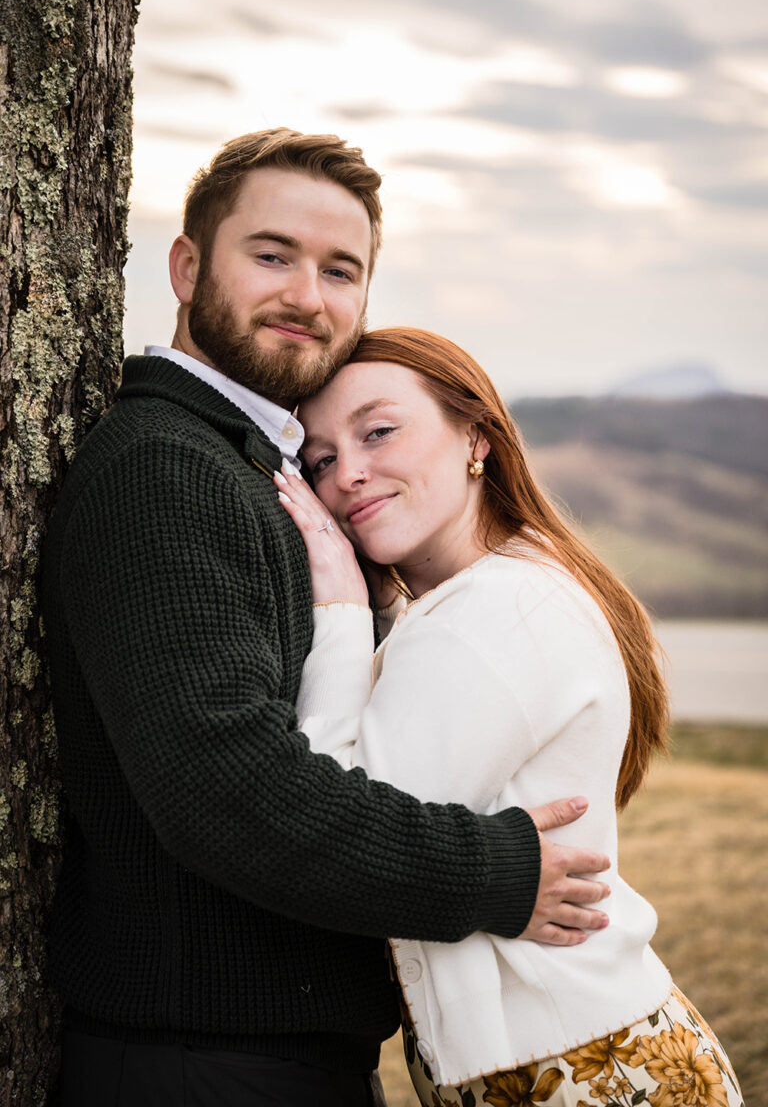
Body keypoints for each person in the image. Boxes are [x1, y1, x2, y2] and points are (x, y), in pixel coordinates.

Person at [40, 130, 612, 1107]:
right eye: (271, 255)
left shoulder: (251, 472)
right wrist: (494, 872)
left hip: (266, 1060)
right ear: (186, 268)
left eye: (339, 269)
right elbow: (231, 792)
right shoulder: (166, 471)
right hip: (199, 1068)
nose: (307, 294)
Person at [273, 325, 744, 1107]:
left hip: (584, 1070)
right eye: (320, 460)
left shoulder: (499, 610)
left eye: (379, 431)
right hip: (574, 1054)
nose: (348, 474)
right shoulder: (494, 592)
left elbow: (341, 824)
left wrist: (341, 608)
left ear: (474, 437)